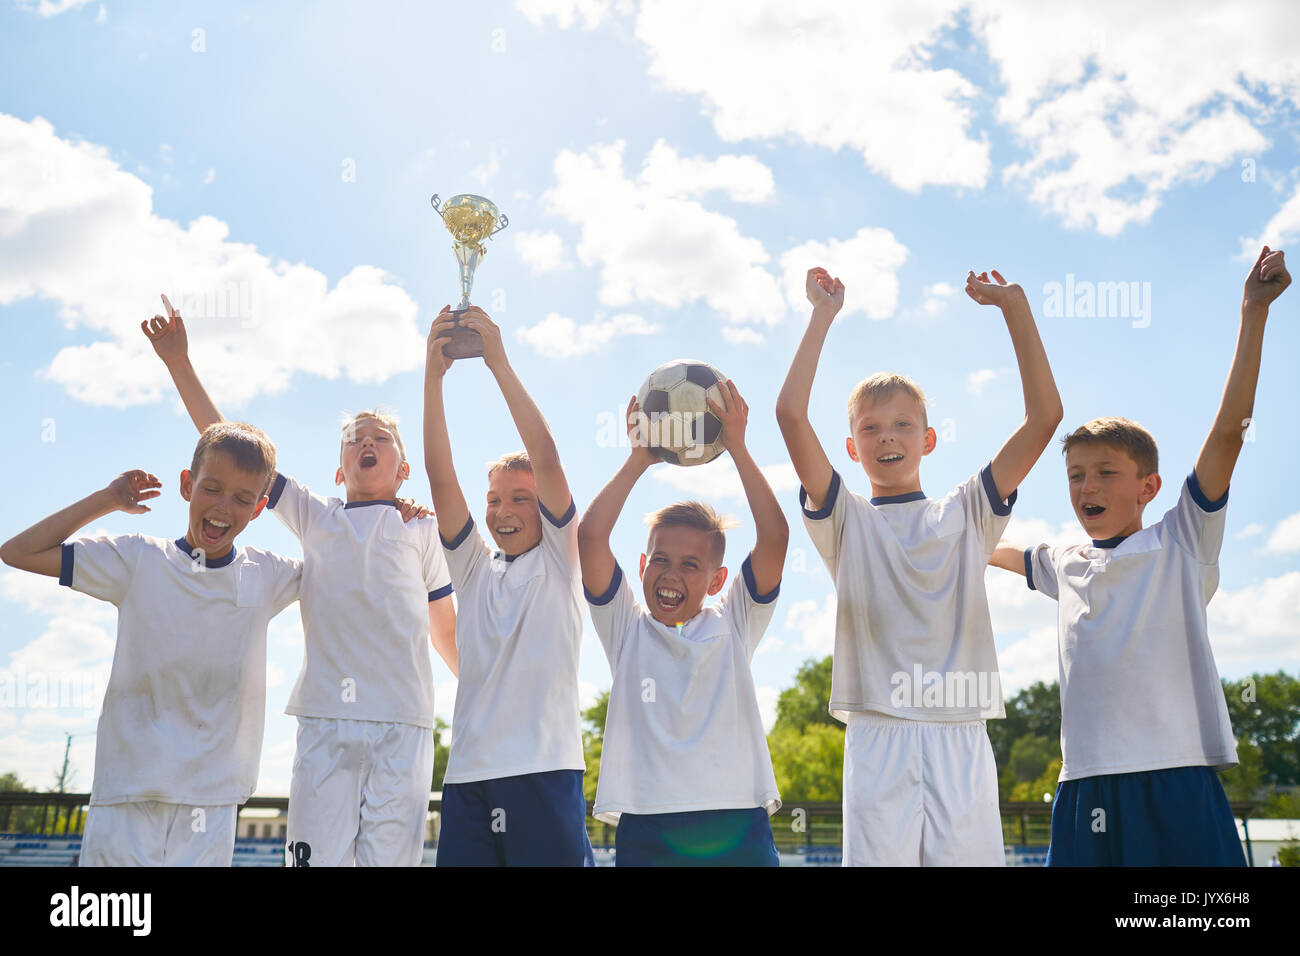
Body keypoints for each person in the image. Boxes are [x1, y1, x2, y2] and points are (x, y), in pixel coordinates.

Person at [990, 248, 1290, 866]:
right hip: (1086, 783)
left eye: (1105, 473)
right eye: (1075, 475)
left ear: (1148, 487)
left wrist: (1253, 312)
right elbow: (997, 551)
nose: (1087, 488)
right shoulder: (1065, 557)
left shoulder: (1182, 542)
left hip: (1174, 776)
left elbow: (1230, 433)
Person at [142, 296, 455, 867]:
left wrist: (483, 693)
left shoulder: (424, 528)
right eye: (356, 439)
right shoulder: (317, 515)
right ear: (339, 469)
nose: (367, 443)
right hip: (325, 722)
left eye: (380, 439)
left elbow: (446, 632)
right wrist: (178, 363)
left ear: (403, 469)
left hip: (404, 722)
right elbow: (227, 443)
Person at [775, 266, 1062, 866]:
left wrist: (1014, 307)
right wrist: (821, 316)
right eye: (870, 427)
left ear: (928, 439)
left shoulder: (968, 512)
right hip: (879, 732)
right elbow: (790, 417)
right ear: (852, 448)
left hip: (961, 729)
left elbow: (1044, 419)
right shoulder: (845, 520)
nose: (888, 436)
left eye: (903, 424)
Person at [0, 424, 301, 865]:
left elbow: (346, 568)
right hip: (127, 792)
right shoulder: (137, 559)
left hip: (211, 800)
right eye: (211, 489)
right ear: (186, 485)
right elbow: (17, 552)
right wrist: (108, 499)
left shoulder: (267, 574)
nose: (222, 507)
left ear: (258, 509)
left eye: (241, 498)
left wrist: (395, 512)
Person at [577, 380, 787, 866]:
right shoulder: (626, 628)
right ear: (642, 565)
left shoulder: (733, 622)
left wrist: (737, 446)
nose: (671, 574)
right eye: (660, 560)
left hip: (735, 820)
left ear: (716, 581)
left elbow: (774, 537)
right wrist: (638, 460)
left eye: (690, 565)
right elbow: (590, 537)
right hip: (649, 824)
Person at [422, 305, 592, 865]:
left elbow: (546, 455)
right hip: (469, 777)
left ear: (543, 507)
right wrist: (433, 375)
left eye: (521, 498)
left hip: (543, 773)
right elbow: (440, 476)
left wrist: (497, 362)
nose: (503, 510)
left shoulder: (561, 560)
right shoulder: (471, 570)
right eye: (494, 499)